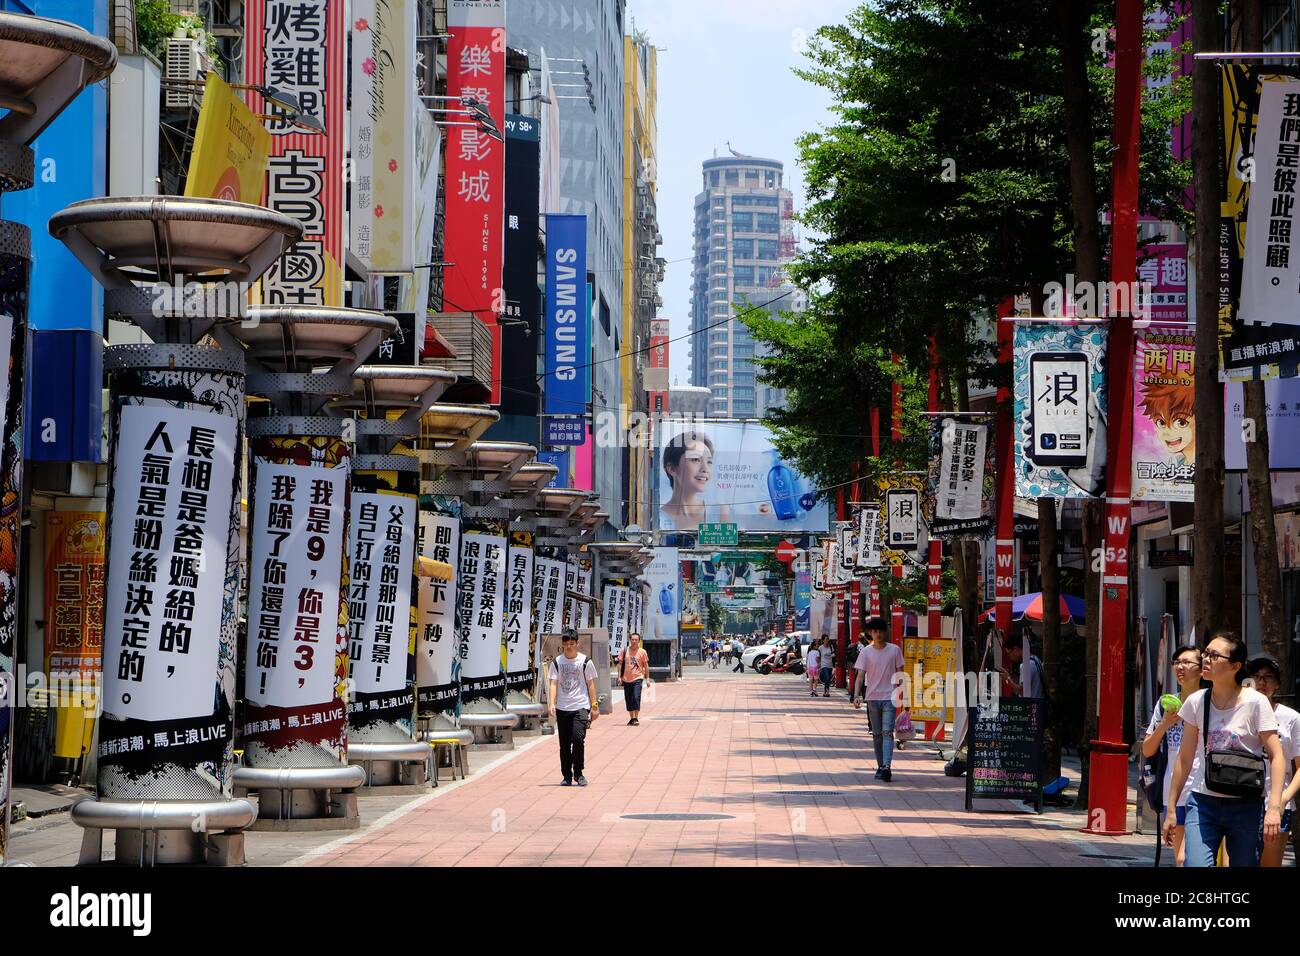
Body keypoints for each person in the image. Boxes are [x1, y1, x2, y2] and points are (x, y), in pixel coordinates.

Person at [1163, 631, 1287, 867]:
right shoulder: (1196, 702)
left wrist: (1273, 807)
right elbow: (1184, 758)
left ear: (1235, 666)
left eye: (1215, 655)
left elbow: (1277, 756)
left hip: (1246, 804)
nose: (1207, 659)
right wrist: (1171, 809)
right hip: (1203, 802)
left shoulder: (1255, 702)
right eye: (1206, 653)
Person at [1141, 645, 1205, 867]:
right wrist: (1165, 723)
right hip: (1174, 790)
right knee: (1181, 859)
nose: (1180, 667)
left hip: (1206, 789)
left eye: (1187, 662)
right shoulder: (1166, 704)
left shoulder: (1211, 701)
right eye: (1177, 662)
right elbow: (1147, 750)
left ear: (1201, 669)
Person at [1246, 654, 1300, 868]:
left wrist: (1282, 800)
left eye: (1268, 677)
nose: (1261, 682)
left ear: (1277, 683)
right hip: (1240, 801)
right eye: (1257, 676)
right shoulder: (1237, 712)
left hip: (1277, 803)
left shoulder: (1291, 718)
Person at [852, 617, 908, 781]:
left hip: (890, 697)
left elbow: (901, 675)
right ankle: (880, 765)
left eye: (881, 631)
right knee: (876, 734)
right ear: (870, 633)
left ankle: (886, 766)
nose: (878, 634)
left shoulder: (895, 650)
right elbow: (860, 676)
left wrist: (905, 698)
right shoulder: (866, 652)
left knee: (887, 732)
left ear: (886, 632)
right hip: (872, 698)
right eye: (875, 631)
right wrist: (856, 695)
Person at [547, 629, 599, 787]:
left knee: (578, 739)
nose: (569, 647)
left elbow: (591, 684)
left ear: (577, 644)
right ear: (562, 645)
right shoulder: (557, 662)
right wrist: (551, 703)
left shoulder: (585, 661)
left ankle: (579, 773)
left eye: (572, 644)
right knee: (564, 744)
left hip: (580, 706)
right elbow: (553, 683)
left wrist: (594, 706)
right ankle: (566, 776)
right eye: (566, 644)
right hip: (563, 707)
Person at [658, 431, 733, 532]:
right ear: (672, 469)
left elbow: (728, 547)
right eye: (695, 459)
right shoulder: (658, 519)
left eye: (709, 462)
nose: (705, 468)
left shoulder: (719, 512)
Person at [619, 632, 651, 726]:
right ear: (630, 640)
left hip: (638, 677)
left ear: (639, 641)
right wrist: (619, 677)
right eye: (632, 639)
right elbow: (620, 664)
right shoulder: (624, 650)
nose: (634, 641)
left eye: (636, 640)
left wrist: (647, 678)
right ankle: (631, 717)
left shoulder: (642, 652)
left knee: (636, 697)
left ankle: (636, 718)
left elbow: (646, 665)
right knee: (628, 699)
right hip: (626, 678)